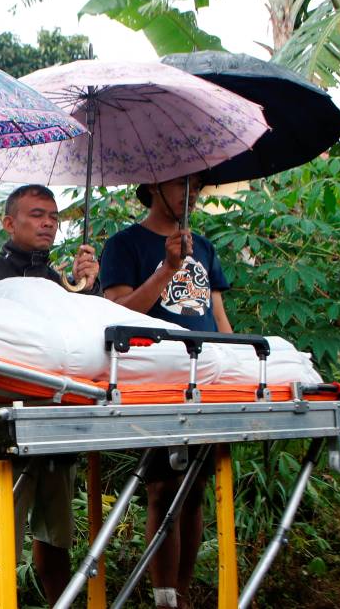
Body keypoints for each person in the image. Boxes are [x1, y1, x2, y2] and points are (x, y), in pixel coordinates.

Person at [0, 184, 99, 608]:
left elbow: (82, 342)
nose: (49, 222)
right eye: (37, 214)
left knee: (56, 538)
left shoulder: (60, 282)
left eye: (53, 216)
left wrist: (87, 286)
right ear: (9, 223)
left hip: (55, 418)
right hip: (0, 421)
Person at [99, 173, 232, 609]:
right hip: (156, 381)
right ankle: (163, 597)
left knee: (195, 489)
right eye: (181, 186)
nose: (190, 195)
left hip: (207, 378)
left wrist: (237, 365)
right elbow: (118, 313)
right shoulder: (125, 244)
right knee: (162, 486)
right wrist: (167, 269)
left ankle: (185, 593)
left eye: (196, 188)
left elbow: (217, 315)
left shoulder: (205, 247)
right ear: (154, 188)